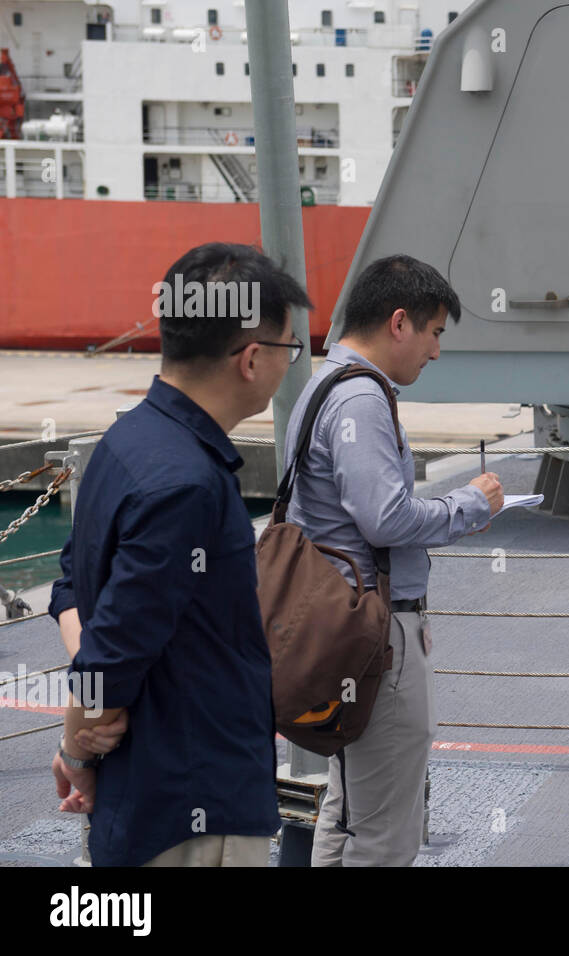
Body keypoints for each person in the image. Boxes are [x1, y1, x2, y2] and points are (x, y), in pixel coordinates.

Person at [49, 241, 312, 866]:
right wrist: (77, 750)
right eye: (288, 348)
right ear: (252, 359)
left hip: (145, 796)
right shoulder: (187, 482)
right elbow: (113, 651)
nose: (287, 365)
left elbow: (72, 587)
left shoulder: (127, 440)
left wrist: (84, 740)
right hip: (194, 804)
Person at [284, 254, 503, 867]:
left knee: (350, 811)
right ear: (399, 323)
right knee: (384, 837)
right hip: (378, 634)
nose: (435, 352)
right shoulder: (362, 400)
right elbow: (384, 519)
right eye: (435, 333)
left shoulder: (322, 387)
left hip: (337, 628)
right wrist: (471, 504)